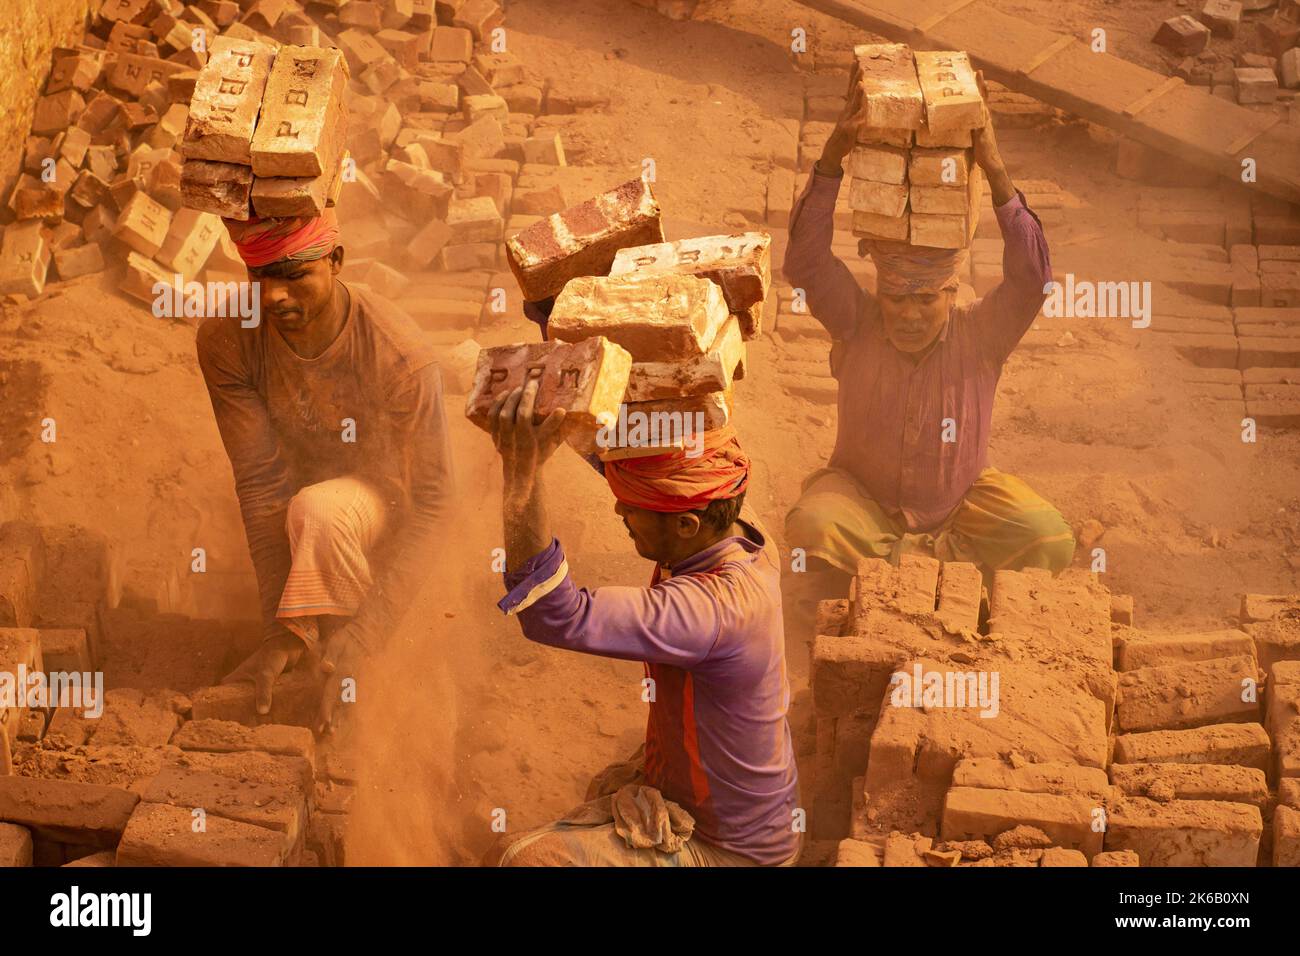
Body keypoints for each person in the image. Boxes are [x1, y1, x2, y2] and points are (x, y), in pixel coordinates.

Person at [781, 79, 1075, 631]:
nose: (909, 314)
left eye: (924, 300)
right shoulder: (857, 320)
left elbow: (1033, 279)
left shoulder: (983, 335)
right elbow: (806, 263)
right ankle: (914, 576)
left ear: (951, 293)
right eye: (895, 298)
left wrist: (992, 168)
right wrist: (832, 156)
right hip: (865, 506)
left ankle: (921, 574)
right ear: (879, 294)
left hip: (960, 507)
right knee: (814, 526)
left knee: (1047, 536)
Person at [483, 380, 800, 866]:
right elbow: (636, 458)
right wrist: (575, 378)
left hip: (731, 853)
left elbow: (554, 614)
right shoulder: (734, 523)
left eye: (633, 505)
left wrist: (522, 472)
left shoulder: (709, 609)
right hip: (755, 818)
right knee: (609, 785)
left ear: (685, 525)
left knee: (522, 859)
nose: (618, 509)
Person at [195, 209, 454, 733]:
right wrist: (279, 628)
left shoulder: (400, 356)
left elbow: (434, 501)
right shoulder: (228, 338)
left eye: (293, 275)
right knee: (301, 509)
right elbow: (260, 481)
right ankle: (304, 645)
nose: (272, 297)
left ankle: (346, 667)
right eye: (260, 276)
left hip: (383, 507)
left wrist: (369, 635)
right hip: (293, 503)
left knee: (321, 513)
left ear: (336, 260)